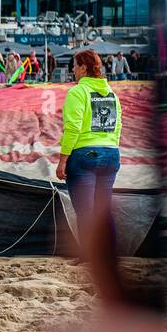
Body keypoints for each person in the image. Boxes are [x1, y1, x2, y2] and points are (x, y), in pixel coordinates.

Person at [56, 50, 122, 238]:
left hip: (85, 155)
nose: (73, 70)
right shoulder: (111, 94)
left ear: (83, 68)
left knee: (86, 212)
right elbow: (118, 126)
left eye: (75, 66)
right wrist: (110, 148)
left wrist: (63, 160)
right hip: (111, 153)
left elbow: (73, 128)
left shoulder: (78, 92)